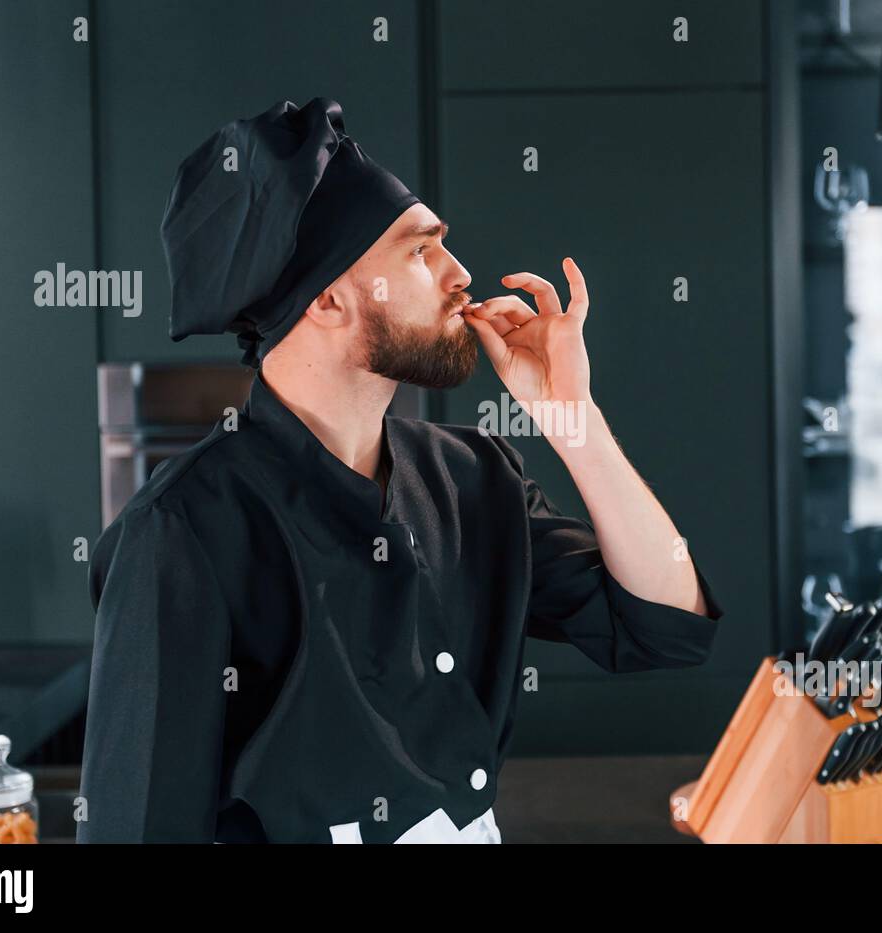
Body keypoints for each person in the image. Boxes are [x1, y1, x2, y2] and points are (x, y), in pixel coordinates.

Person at [76, 97, 723, 844]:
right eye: (421, 250)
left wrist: (571, 418)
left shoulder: (474, 478)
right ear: (326, 299)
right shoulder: (181, 533)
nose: (460, 272)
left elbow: (667, 628)